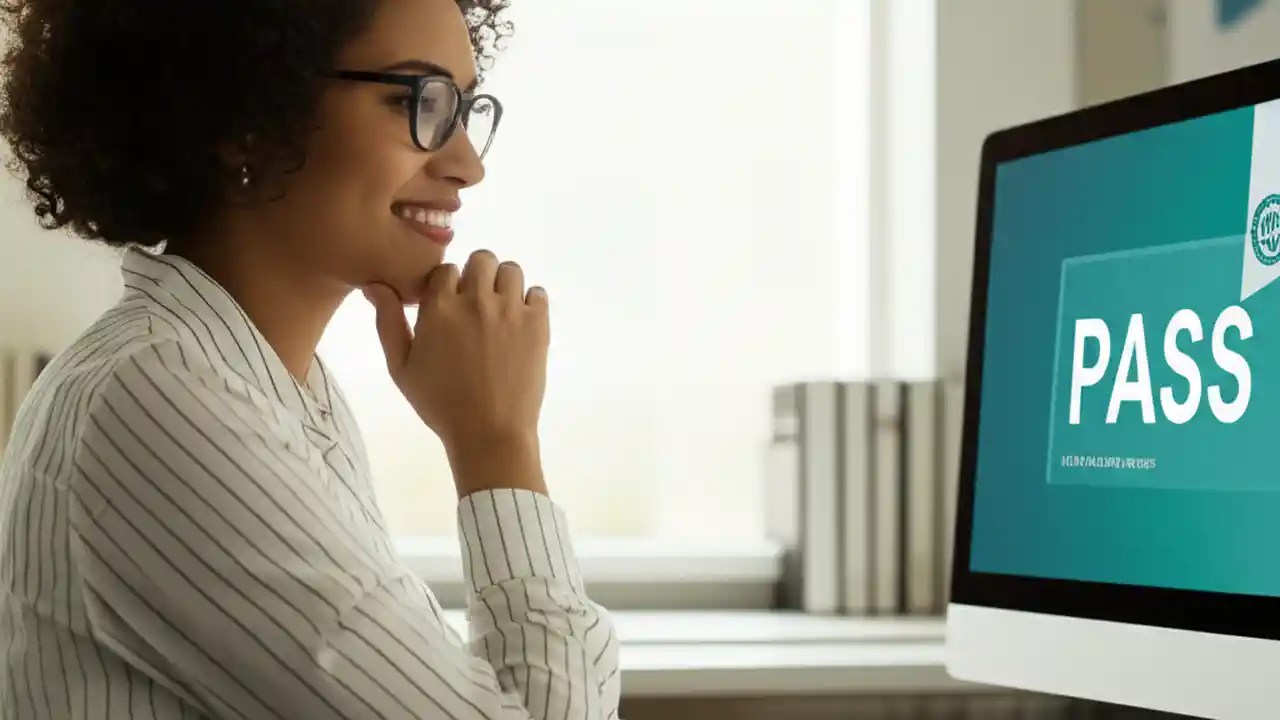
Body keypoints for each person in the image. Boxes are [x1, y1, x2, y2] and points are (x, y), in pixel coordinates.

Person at [0, 0, 621, 717]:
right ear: (248, 118)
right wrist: (497, 444)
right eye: (416, 101)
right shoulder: (158, 397)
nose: (466, 164)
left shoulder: (274, 389)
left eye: (465, 109)